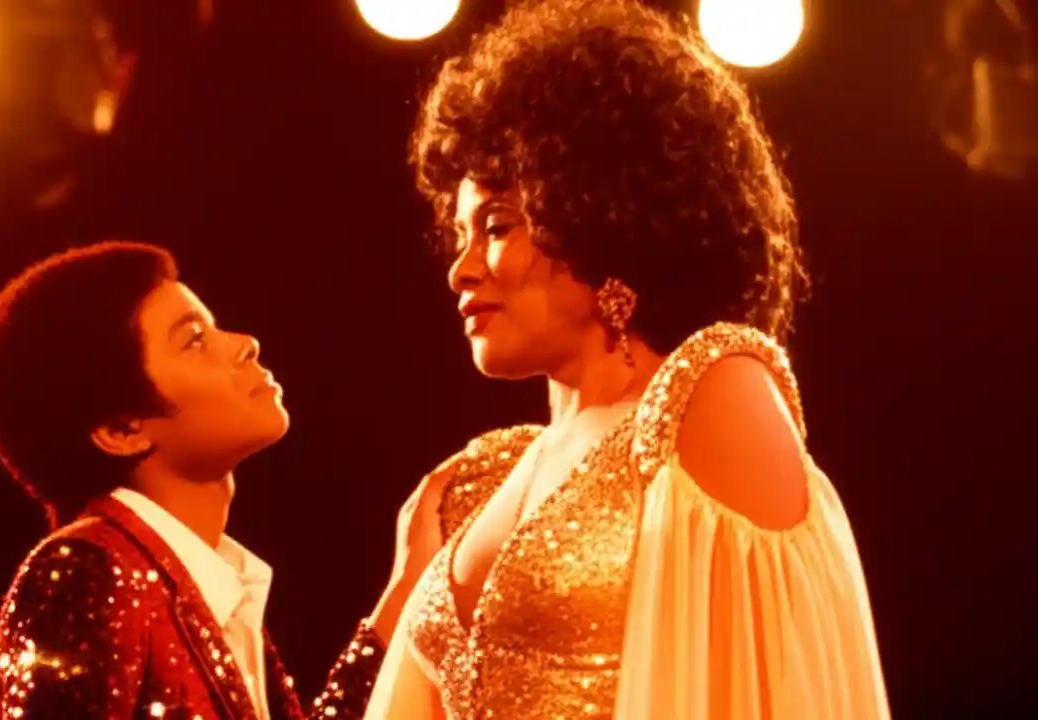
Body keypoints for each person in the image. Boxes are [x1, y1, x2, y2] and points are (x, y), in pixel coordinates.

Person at [363, 1, 890, 718]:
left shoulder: (709, 398)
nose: (461, 269)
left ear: (600, 211)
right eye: (458, 234)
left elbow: (777, 693)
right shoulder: (482, 480)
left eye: (496, 225)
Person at [0, 241, 409, 720]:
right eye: (194, 338)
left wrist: (408, 586)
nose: (245, 344)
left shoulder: (210, 588)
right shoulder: (86, 570)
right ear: (123, 430)